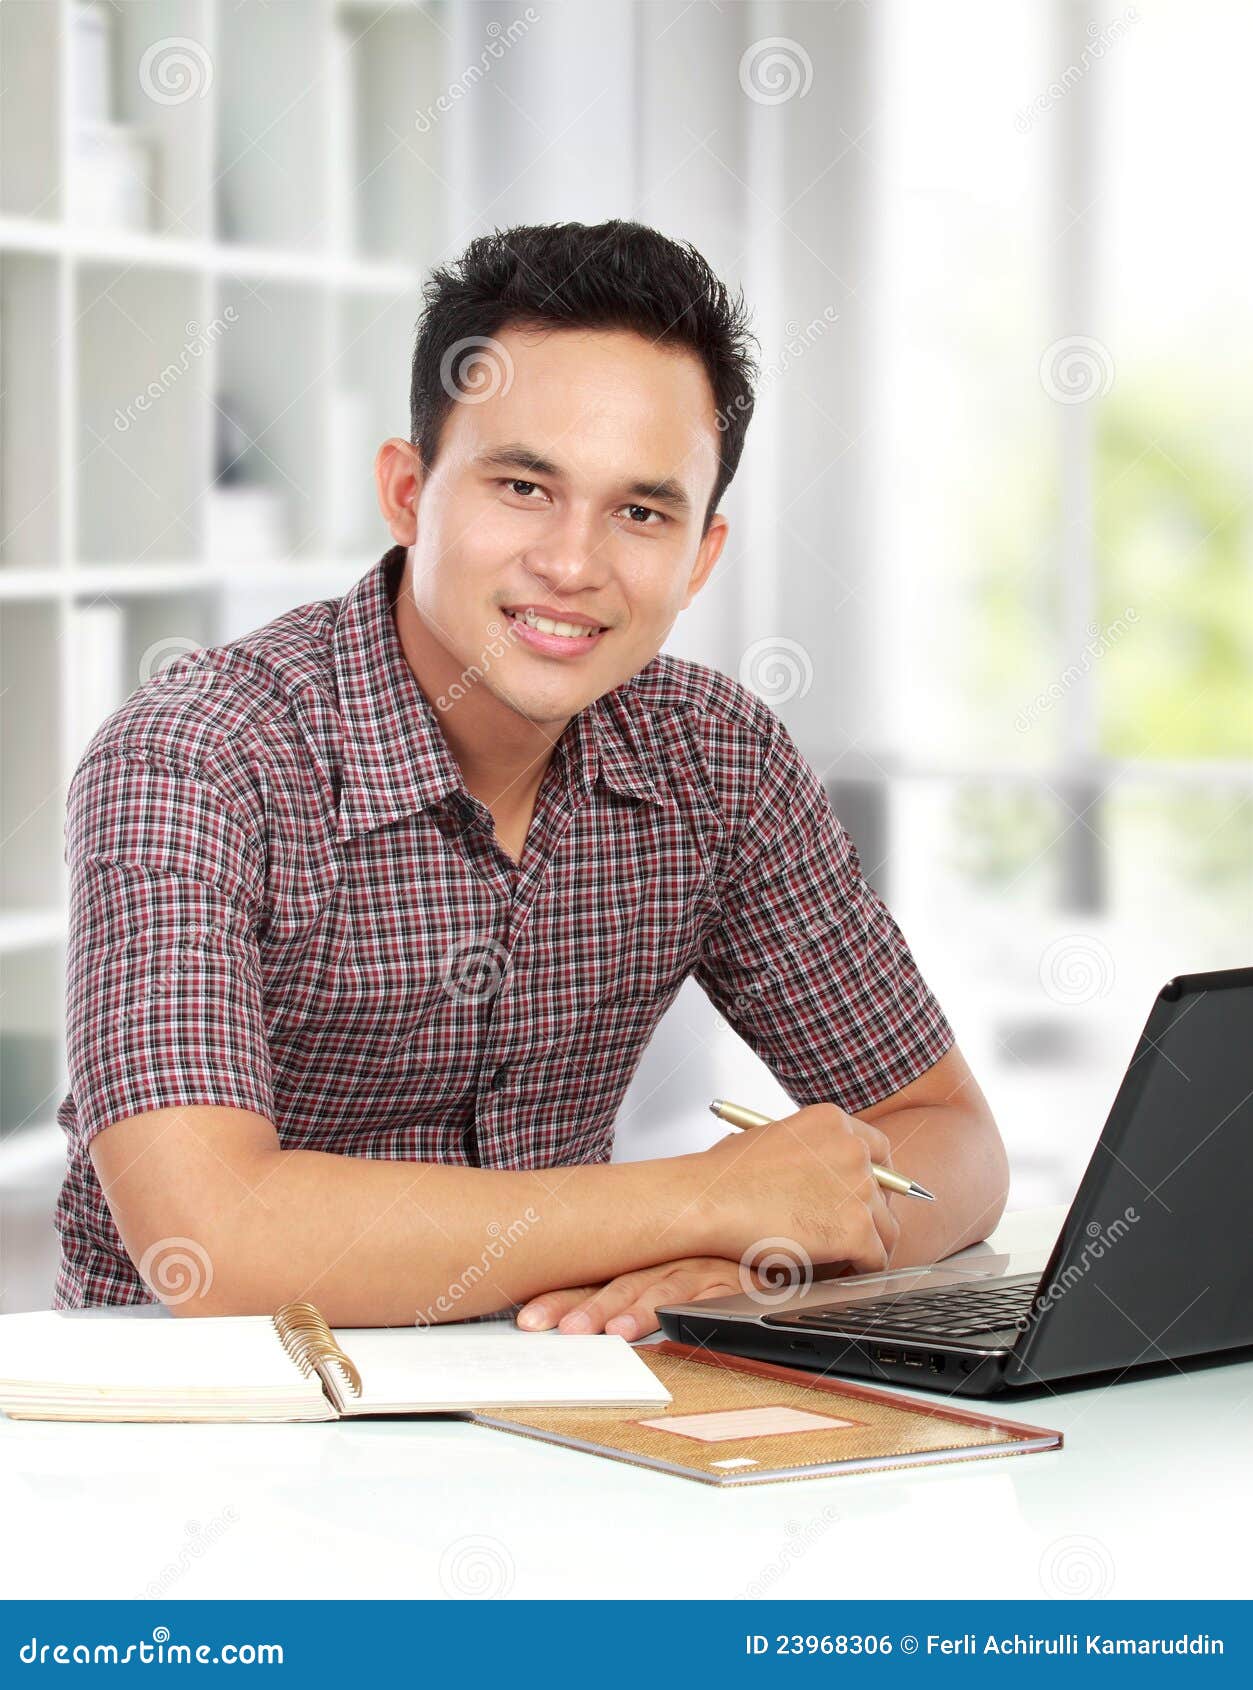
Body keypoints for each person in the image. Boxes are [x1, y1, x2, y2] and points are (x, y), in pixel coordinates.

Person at [55, 220, 1008, 1334]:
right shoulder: (196, 757)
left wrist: (777, 1253)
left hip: (558, 1412)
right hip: (212, 1435)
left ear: (700, 555)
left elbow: (950, 1134)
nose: (571, 564)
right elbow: (212, 1244)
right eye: (521, 486)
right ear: (408, 493)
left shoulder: (715, 759)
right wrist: (706, 1198)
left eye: (641, 512)